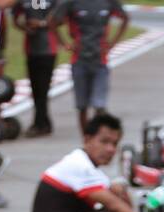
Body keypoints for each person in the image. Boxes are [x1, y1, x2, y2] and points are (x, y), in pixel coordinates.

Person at [29, 109, 146, 212]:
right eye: (104, 142)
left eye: (114, 144)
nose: (110, 149)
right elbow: (116, 206)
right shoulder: (79, 165)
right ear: (87, 140)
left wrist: (121, 189)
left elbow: (123, 205)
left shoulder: (90, 168)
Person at [51, 0, 127, 137]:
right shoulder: (71, 3)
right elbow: (53, 21)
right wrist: (65, 44)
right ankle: (86, 140)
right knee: (82, 107)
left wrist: (113, 42)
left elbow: (125, 18)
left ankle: (100, 138)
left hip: (100, 60)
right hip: (79, 60)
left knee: (99, 105)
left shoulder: (108, 2)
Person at [14, 0, 56, 135]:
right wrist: (25, 27)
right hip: (31, 49)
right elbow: (15, 17)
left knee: (43, 88)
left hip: (48, 49)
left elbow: (60, 19)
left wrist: (41, 23)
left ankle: (39, 124)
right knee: (35, 88)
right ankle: (45, 122)